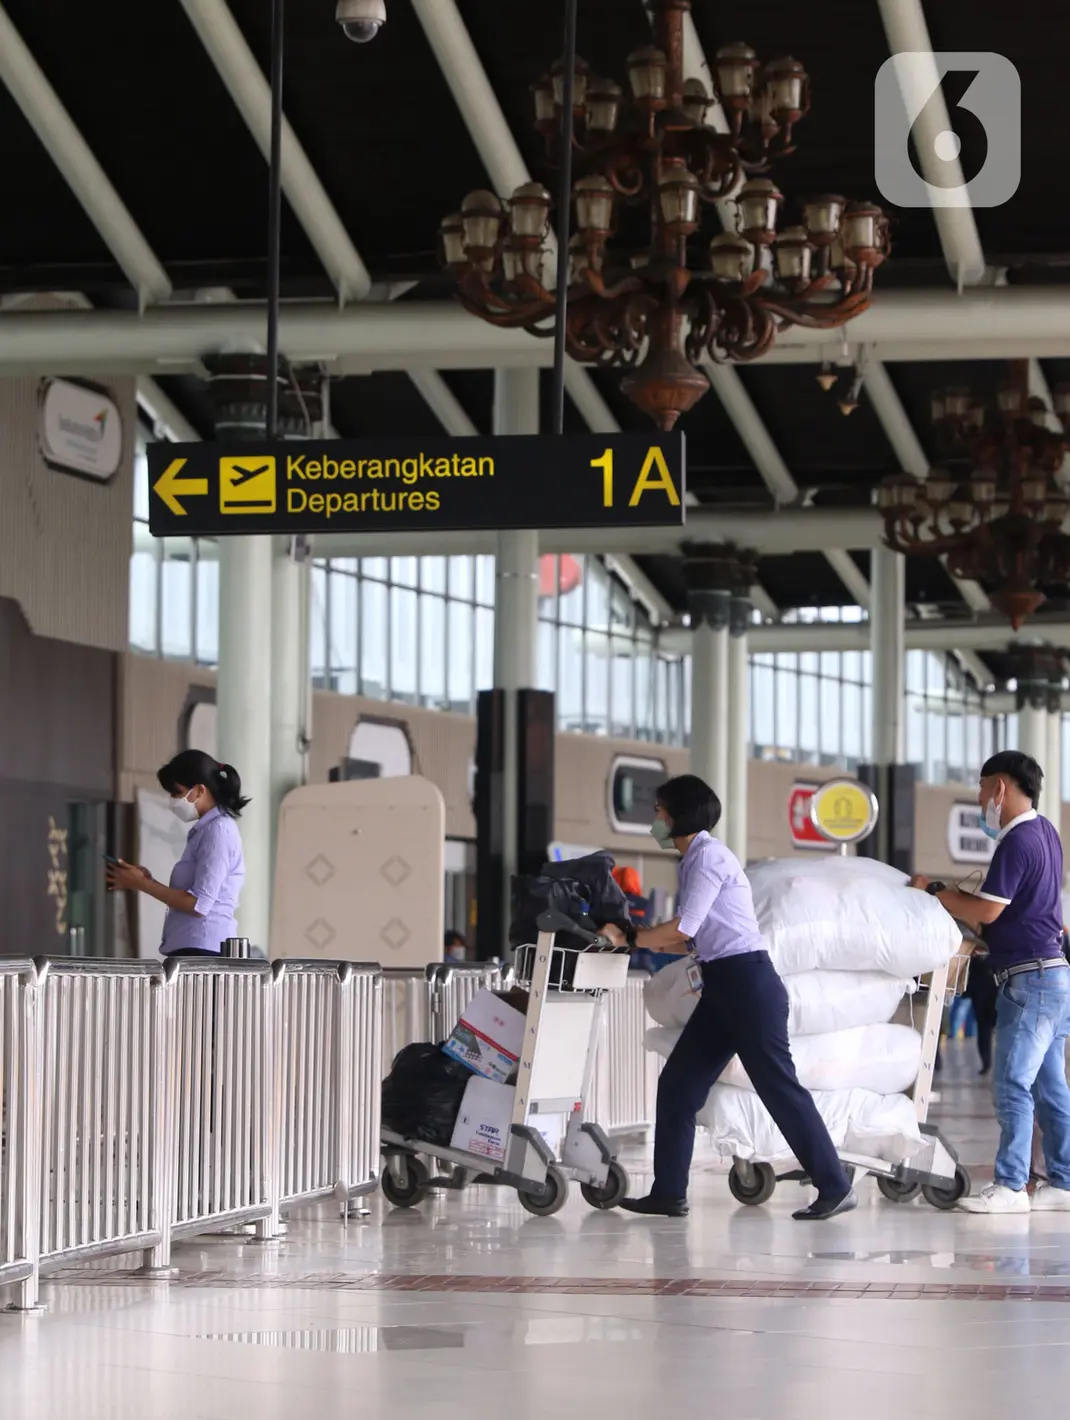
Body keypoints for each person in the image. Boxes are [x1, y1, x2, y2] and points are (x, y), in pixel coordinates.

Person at [601, 774, 856, 1222]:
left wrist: (636, 935)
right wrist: (640, 941)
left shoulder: (707, 857)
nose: (656, 819)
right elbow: (691, 938)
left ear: (679, 815)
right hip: (723, 985)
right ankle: (668, 1192)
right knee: (678, 1086)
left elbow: (683, 927)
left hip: (747, 986)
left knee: (778, 1087)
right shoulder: (695, 859)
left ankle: (835, 1185)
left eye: (660, 810)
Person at [909, 750, 1070, 1213]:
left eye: (982, 790)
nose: (981, 801)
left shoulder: (1017, 841)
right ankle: (1061, 1180)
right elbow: (1017, 916)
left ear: (1000, 786)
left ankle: (1011, 1185)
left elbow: (988, 909)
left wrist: (936, 892)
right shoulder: (1047, 833)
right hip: (1053, 976)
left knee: (1013, 1084)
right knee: (1050, 1086)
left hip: (1031, 981)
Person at [107, 749, 248, 958]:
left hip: (205, 949)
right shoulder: (207, 829)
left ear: (200, 790)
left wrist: (142, 884)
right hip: (194, 946)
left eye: (177, 792)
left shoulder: (218, 830)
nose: (172, 800)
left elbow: (199, 904)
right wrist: (146, 880)